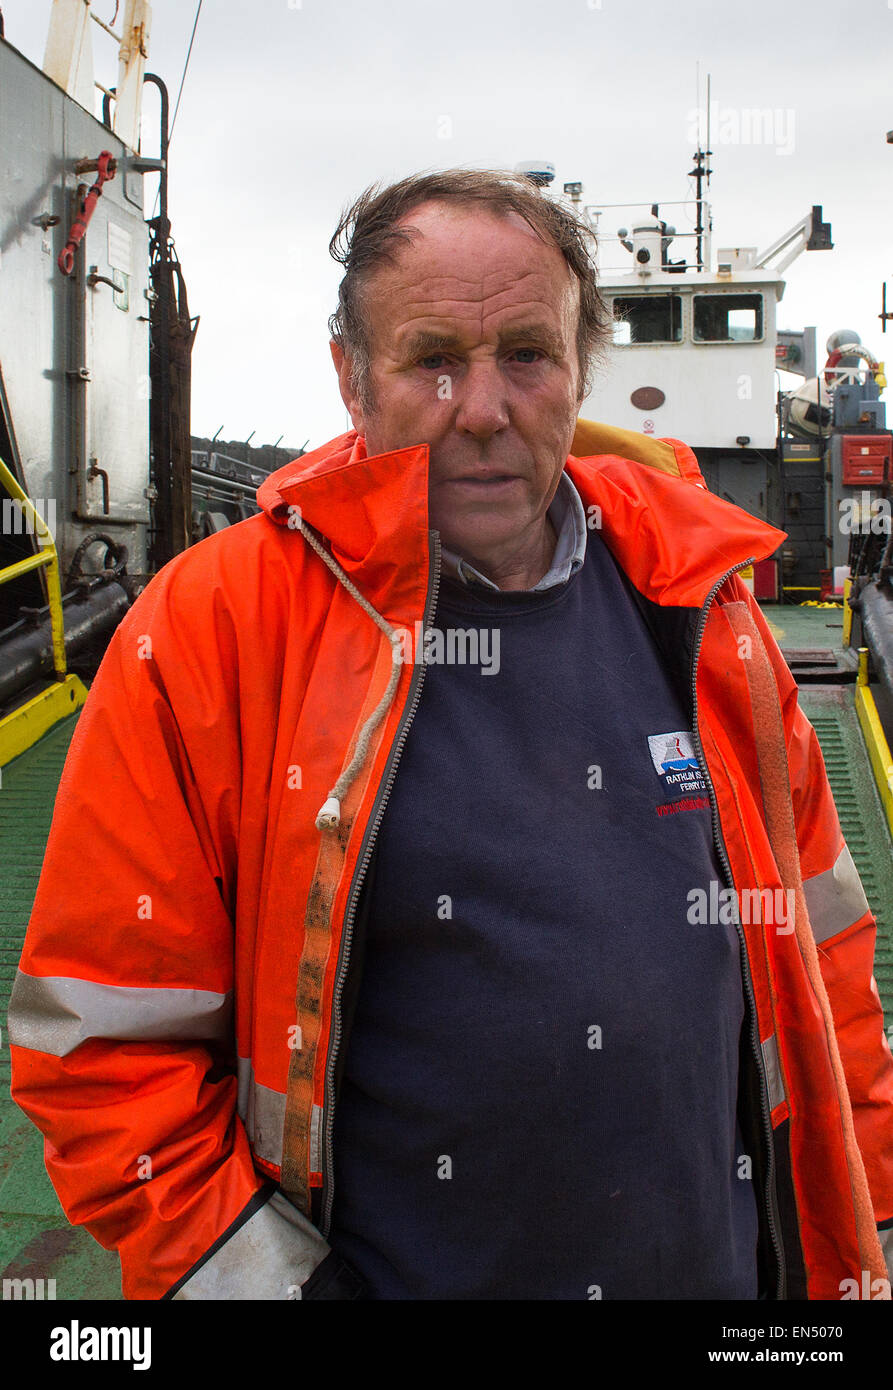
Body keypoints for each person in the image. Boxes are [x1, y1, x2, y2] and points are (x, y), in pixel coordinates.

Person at [8, 169, 893, 1301]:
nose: (481, 407)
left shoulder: (709, 615)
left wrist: (859, 1225)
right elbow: (100, 1045)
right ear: (349, 376)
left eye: (525, 353)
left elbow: (823, 974)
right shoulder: (210, 632)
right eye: (432, 358)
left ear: (578, 370)